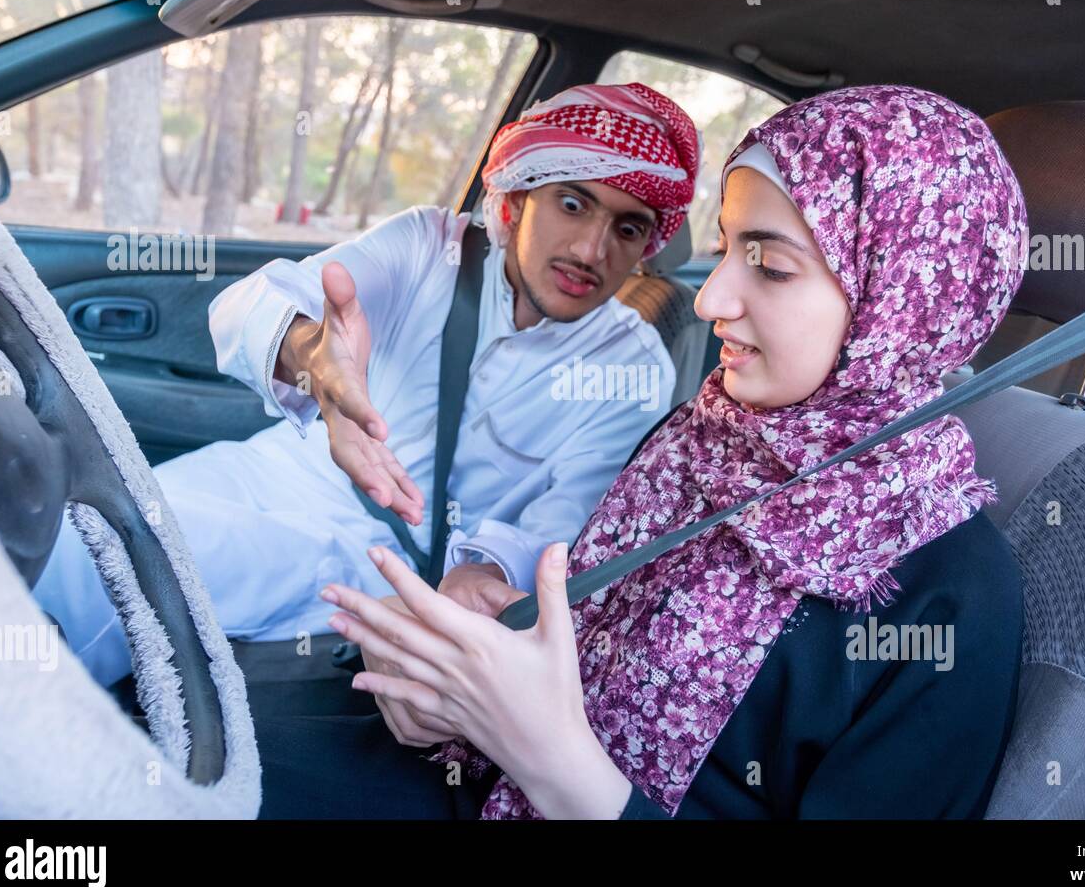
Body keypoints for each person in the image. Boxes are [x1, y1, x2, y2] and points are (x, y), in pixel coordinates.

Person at [256, 84, 1029, 819]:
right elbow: (579, 639)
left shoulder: (949, 599)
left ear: (897, 300)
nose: (710, 298)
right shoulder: (694, 442)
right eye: (726, 249)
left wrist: (557, 764)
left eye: (771, 264)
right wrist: (462, 672)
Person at [31, 83, 700, 688]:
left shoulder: (633, 366)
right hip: (273, 472)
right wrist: (315, 358)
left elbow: (569, 521)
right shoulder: (428, 246)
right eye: (574, 204)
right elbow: (255, 301)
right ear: (520, 198)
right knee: (59, 525)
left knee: (106, 564)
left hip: (371, 556)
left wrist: (488, 573)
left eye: (626, 228)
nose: (591, 250)